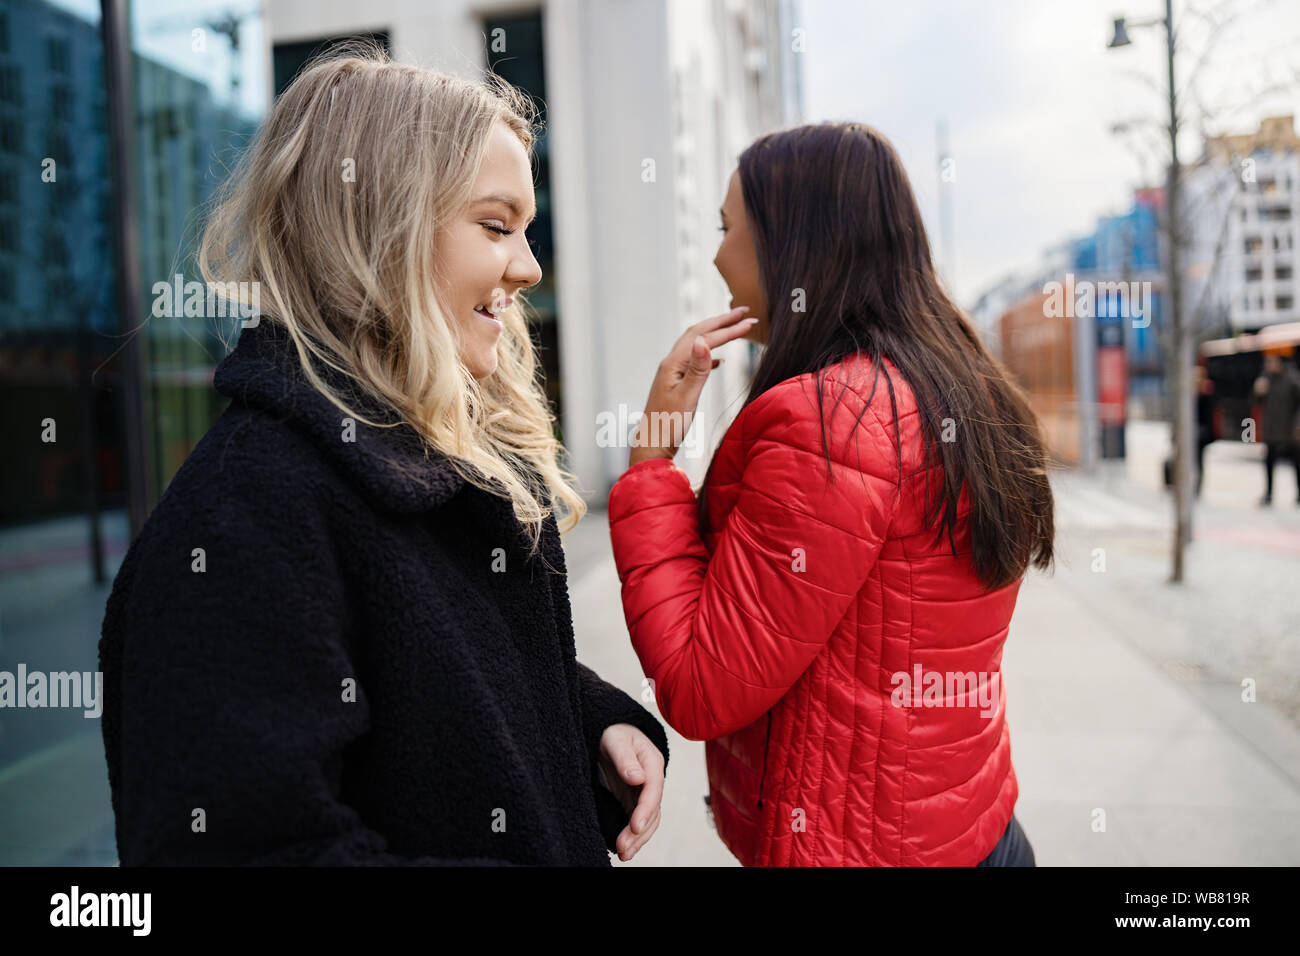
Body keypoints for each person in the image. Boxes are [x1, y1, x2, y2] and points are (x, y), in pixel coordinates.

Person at [98, 46, 668, 866]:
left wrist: (589, 717)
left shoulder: (422, 460)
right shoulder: (248, 512)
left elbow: (435, 681)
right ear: (380, 228)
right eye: (496, 225)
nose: (529, 266)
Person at [607, 123, 1052, 866]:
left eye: (727, 227)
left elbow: (696, 683)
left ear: (793, 244)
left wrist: (649, 462)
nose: (716, 252)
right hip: (974, 826)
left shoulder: (830, 424)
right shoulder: (961, 385)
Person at [1253, 353, 1300, 506]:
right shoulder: (1266, 379)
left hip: (1290, 429)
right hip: (1271, 428)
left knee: (1297, 463)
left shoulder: (1292, 378)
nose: (1268, 365)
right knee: (1269, 462)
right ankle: (1269, 493)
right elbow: (1254, 402)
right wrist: (1257, 392)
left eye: (1271, 362)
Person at [1195, 364, 1217, 497]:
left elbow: (1208, 414)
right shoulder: (1191, 393)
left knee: (1198, 461)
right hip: (1192, 433)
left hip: (1201, 434)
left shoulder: (1206, 392)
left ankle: (1197, 487)